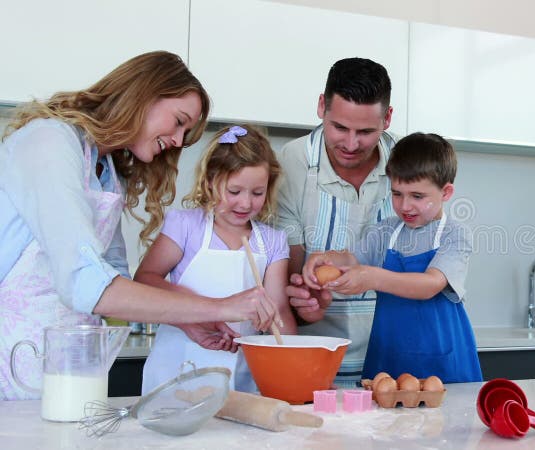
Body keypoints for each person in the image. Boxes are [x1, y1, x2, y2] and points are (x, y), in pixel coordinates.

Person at [0, 51, 278, 401]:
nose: (178, 141)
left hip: (66, 373)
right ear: (143, 96)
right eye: (178, 121)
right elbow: (86, 283)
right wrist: (220, 307)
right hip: (12, 360)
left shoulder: (106, 173)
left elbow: (114, 277)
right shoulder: (49, 143)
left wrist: (185, 321)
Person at [302, 132, 482, 383]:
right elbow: (352, 259)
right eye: (397, 194)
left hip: (441, 360)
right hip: (390, 357)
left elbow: (430, 285)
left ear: (446, 192)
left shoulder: (455, 234)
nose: (405, 206)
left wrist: (373, 277)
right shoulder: (387, 231)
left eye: (417, 196)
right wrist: (324, 259)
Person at [136, 124, 296, 394]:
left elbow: (278, 307)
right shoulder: (186, 226)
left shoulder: (272, 242)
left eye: (257, 193)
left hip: (243, 376)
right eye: (234, 192)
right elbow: (144, 281)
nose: (245, 204)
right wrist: (191, 310)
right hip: (178, 371)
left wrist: (292, 356)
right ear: (210, 181)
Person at [275, 57, 398, 387]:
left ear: (387, 118)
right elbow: (289, 266)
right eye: (340, 127)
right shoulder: (293, 161)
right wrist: (306, 301)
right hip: (318, 362)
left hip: (395, 361)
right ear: (321, 107)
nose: (351, 143)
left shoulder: (407, 161)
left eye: (366, 131)